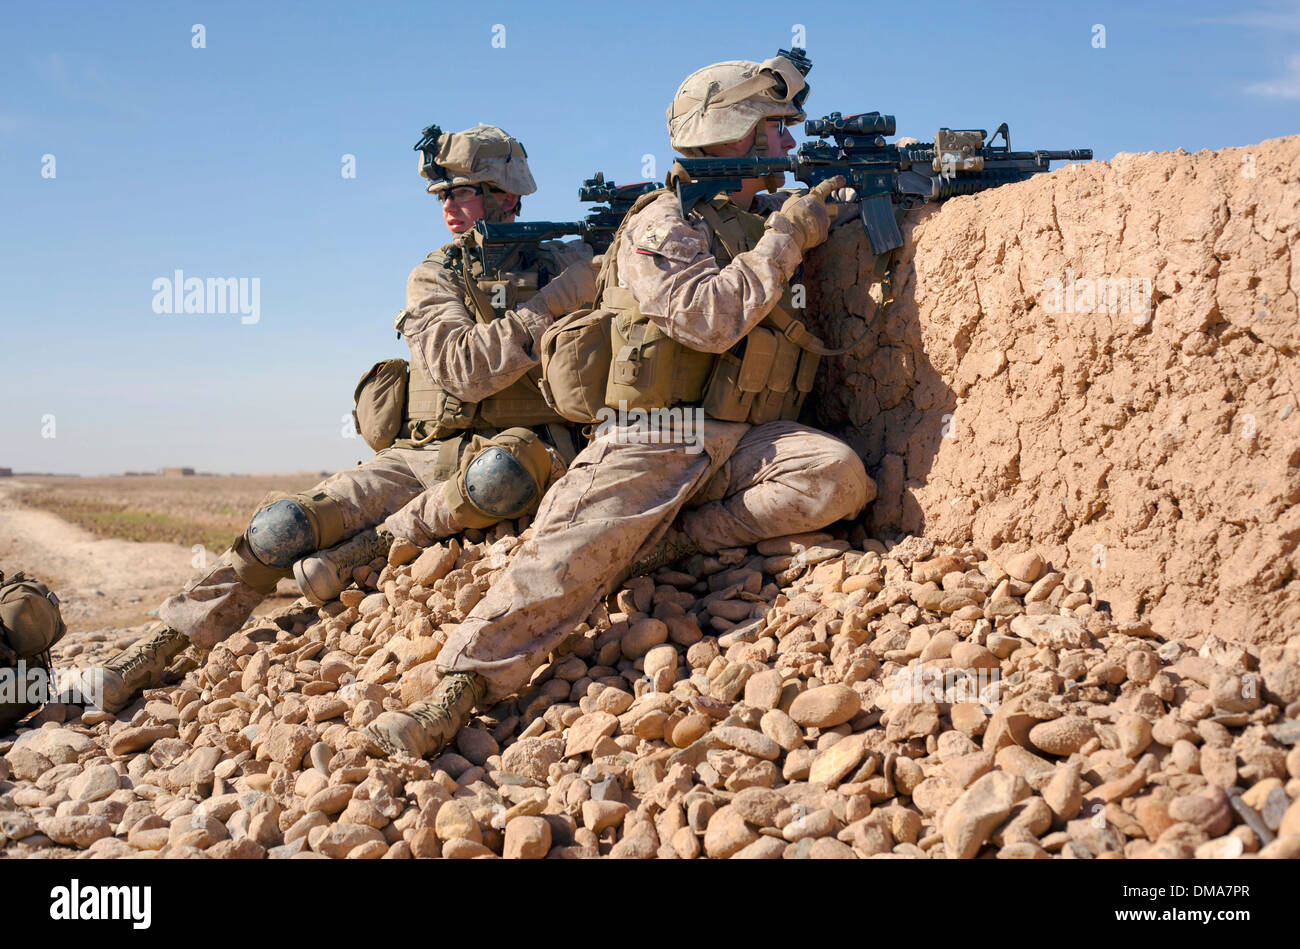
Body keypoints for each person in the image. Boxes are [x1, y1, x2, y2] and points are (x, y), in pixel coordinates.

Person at [362, 53, 873, 759]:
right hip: (658, 431)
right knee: (561, 561)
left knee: (838, 477)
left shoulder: (755, 221)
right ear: (737, 135)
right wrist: (790, 236)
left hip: (740, 435)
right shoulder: (663, 223)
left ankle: (672, 539)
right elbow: (707, 319)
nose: (788, 145)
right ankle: (455, 690)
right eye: (776, 128)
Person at [77, 123, 597, 714]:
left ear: (507, 194)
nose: (450, 207)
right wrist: (559, 299)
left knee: (498, 478)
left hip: (531, 444)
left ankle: (365, 553)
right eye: (443, 196)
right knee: (282, 527)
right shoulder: (437, 275)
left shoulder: (573, 258)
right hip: (428, 451)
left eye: (464, 191)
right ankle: (158, 645)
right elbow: (463, 370)